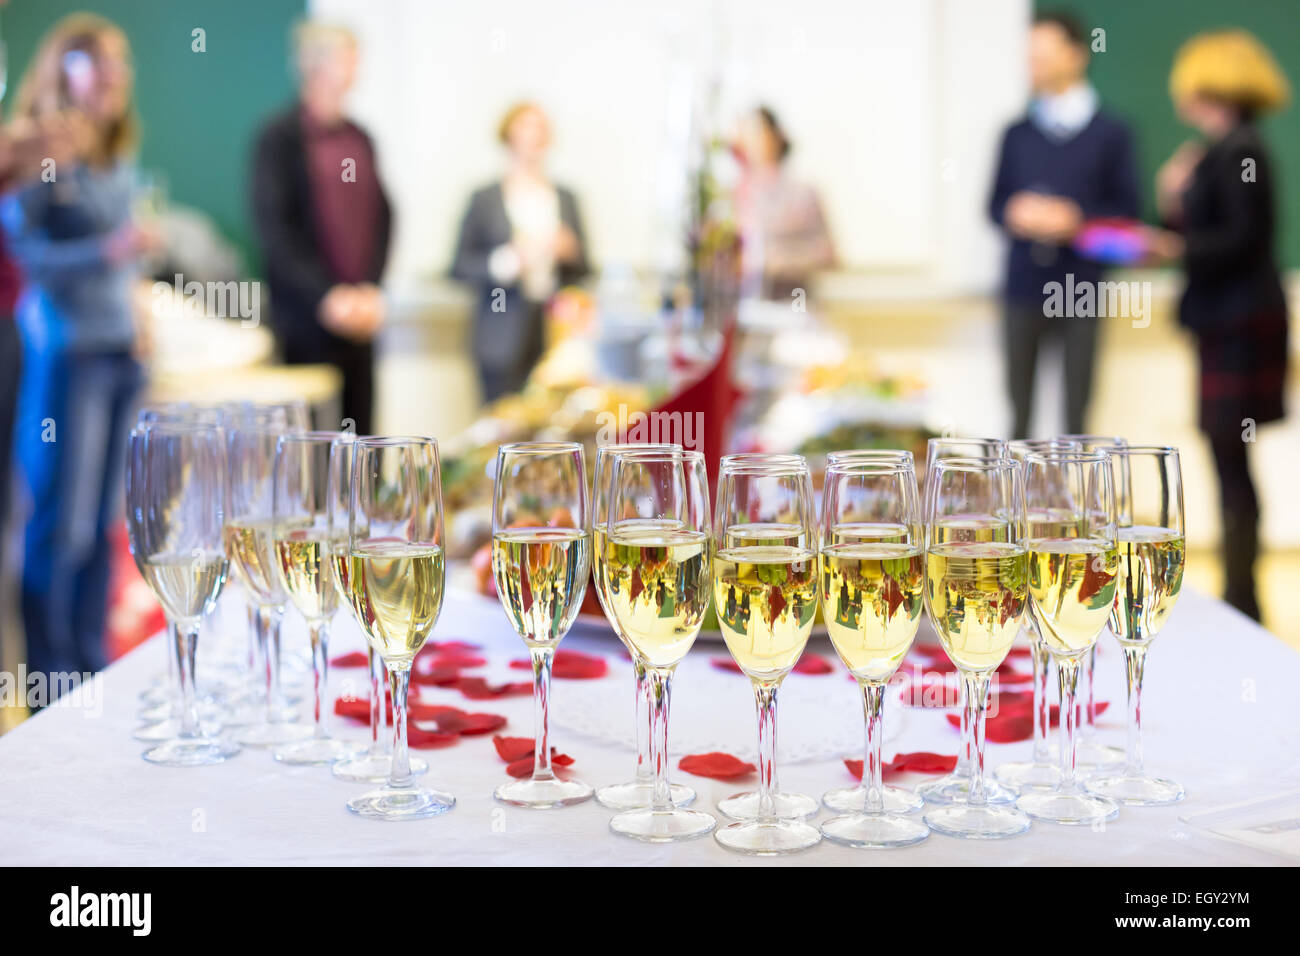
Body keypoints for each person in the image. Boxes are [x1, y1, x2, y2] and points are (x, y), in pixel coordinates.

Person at [1, 13, 156, 683]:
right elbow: (24, 255)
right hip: (68, 355)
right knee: (58, 529)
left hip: (121, 351)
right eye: (101, 63)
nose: (116, 77)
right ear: (66, 71)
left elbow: (127, 264)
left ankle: (92, 670)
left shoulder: (114, 157)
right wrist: (105, 251)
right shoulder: (39, 154)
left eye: (122, 63)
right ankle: (49, 679)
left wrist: (139, 304)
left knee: (100, 529)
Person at [1147, 30, 1290, 621]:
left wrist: (1172, 242)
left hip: (1241, 322)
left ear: (1209, 84)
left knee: (1232, 457)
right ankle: (1241, 596)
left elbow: (1239, 240)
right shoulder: (1219, 150)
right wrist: (1172, 200)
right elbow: (1215, 229)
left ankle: (1243, 598)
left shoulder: (1241, 150)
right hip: (1230, 321)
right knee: (1229, 457)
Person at [989, 10, 1140, 438]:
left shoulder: (1112, 133)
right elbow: (994, 205)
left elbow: (1129, 221)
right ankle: (1015, 503)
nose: (1033, 65)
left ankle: (1076, 501)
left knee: (1077, 415)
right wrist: (1016, 212)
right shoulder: (1016, 133)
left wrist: (1078, 223)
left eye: (1044, 55)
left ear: (1076, 56)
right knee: (1019, 414)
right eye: (1029, 56)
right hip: (1022, 287)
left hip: (1081, 287)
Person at [250, 21, 390, 435]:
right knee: (313, 450)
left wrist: (367, 290)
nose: (356, 69)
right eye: (347, 59)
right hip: (305, 319)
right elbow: (276, 229)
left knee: (361, 443)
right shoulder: (278, 138)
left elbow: (382, 218)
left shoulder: (360, 137)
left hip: (359, 318)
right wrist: (326, 296)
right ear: (315, 66)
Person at [451, 103, 589, 402]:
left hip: (554, 328)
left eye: (540, 129)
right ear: (508, 137)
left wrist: (569, 251)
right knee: (504, 422)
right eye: (525, 128)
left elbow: (584, 268)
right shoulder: (485, 198)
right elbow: (459, 266)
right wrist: (506, 261)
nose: (533, 137)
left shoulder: (565, 198)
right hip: (501, 328)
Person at [732, 105, 835, 301]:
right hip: (747, 305)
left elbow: (828, 252)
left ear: (777, 136)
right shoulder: (732, 195)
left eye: (758, 133)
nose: (751, 142)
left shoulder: (804, 193)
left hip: (796, 300)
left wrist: (776, 260)